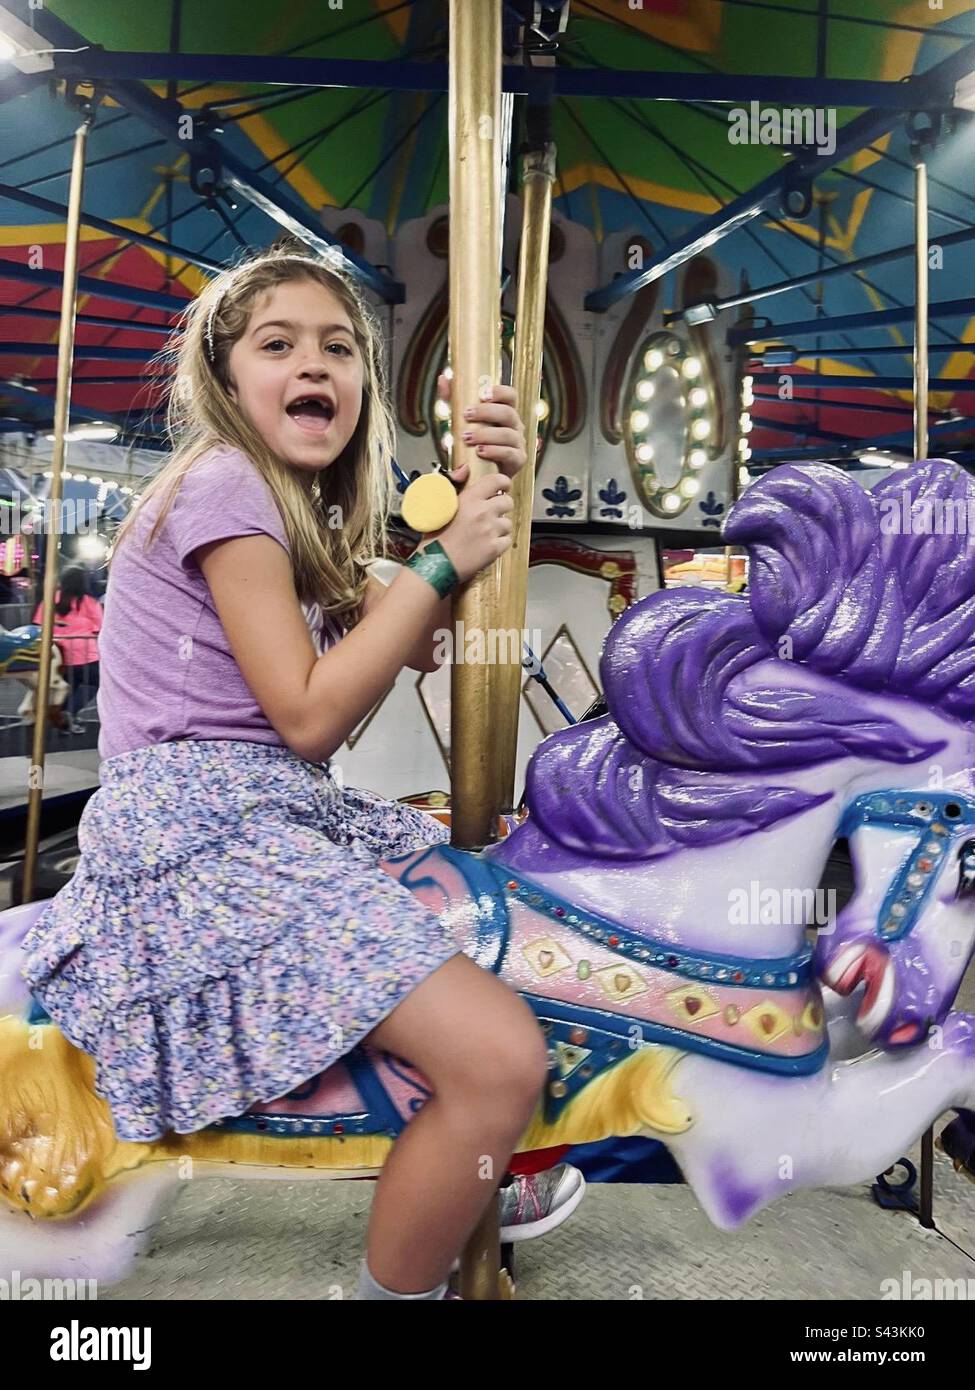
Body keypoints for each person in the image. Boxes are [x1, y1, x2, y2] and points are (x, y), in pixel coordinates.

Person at [19, 244, 583, 1301]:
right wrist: (435, 561)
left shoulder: (301, 514)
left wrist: (486, 471)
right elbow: (313, 713)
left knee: (500, 899)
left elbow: (411, 644)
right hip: (200, 833)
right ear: (227, 382)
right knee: (501, 1056)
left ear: (364, 385)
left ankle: (469, 1164)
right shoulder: (226, 486)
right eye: (276, 345)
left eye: (337, 347)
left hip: (263, 811)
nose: (310, 363)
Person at [32, 563, 103, 733]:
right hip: (85, 654)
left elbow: (38, 624)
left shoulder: (50, 599)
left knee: (70, 685)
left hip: (58, 654)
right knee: (96, 684)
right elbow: (99, 626)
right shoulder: (88, 602)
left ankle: (61, 716)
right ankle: (68, 712)